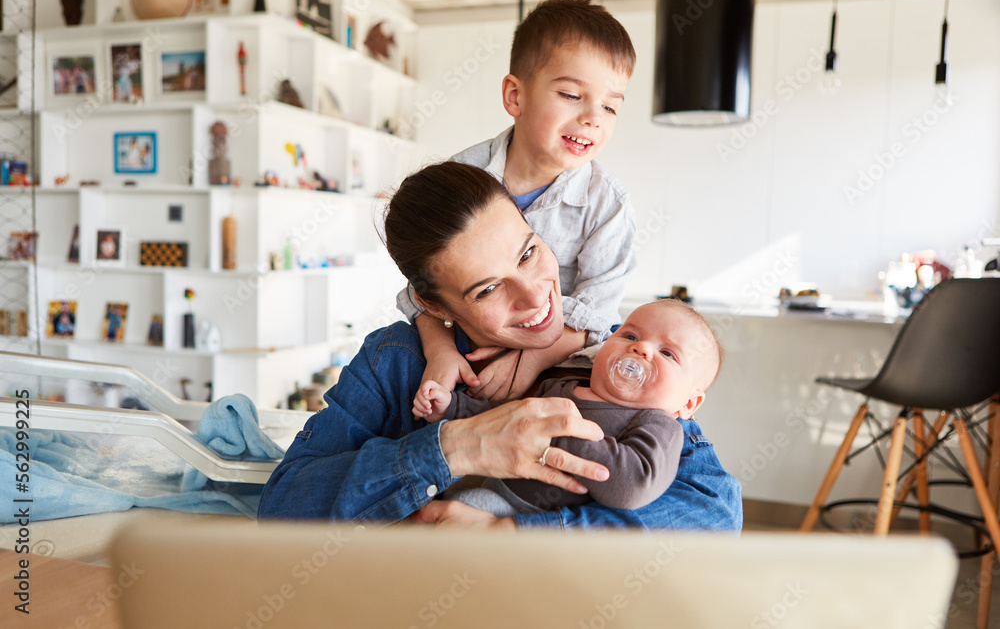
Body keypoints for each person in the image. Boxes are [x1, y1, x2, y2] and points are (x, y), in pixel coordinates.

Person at [258, 162, 742, 532]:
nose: (537, 298)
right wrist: (454, 447)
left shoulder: (605, 354)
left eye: (529, 252)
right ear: (433, 305)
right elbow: (284, 507)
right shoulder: (396, 361)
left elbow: (715, 515)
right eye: (487, 290)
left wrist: (509, 535)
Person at [398, 0, 638, 403]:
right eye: (571, 95)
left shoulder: (607, 203)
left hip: (563, 354)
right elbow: (423, 286)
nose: (593, 117)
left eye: (610, 107)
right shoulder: (464, 176)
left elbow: (598, 309)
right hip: (472, 343)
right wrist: (438, 350)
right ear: (515, 96)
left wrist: (531, 360)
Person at [413, 299, 721, 516]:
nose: (640, 348)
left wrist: (550, 436)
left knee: (465, 511)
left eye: (667, 353)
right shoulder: (560, 387)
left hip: (542, 519)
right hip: (497, 486)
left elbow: (634, 486)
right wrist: (451, 407)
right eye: (629, 335)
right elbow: (502, 417)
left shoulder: (657, 425)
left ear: (688, 403)